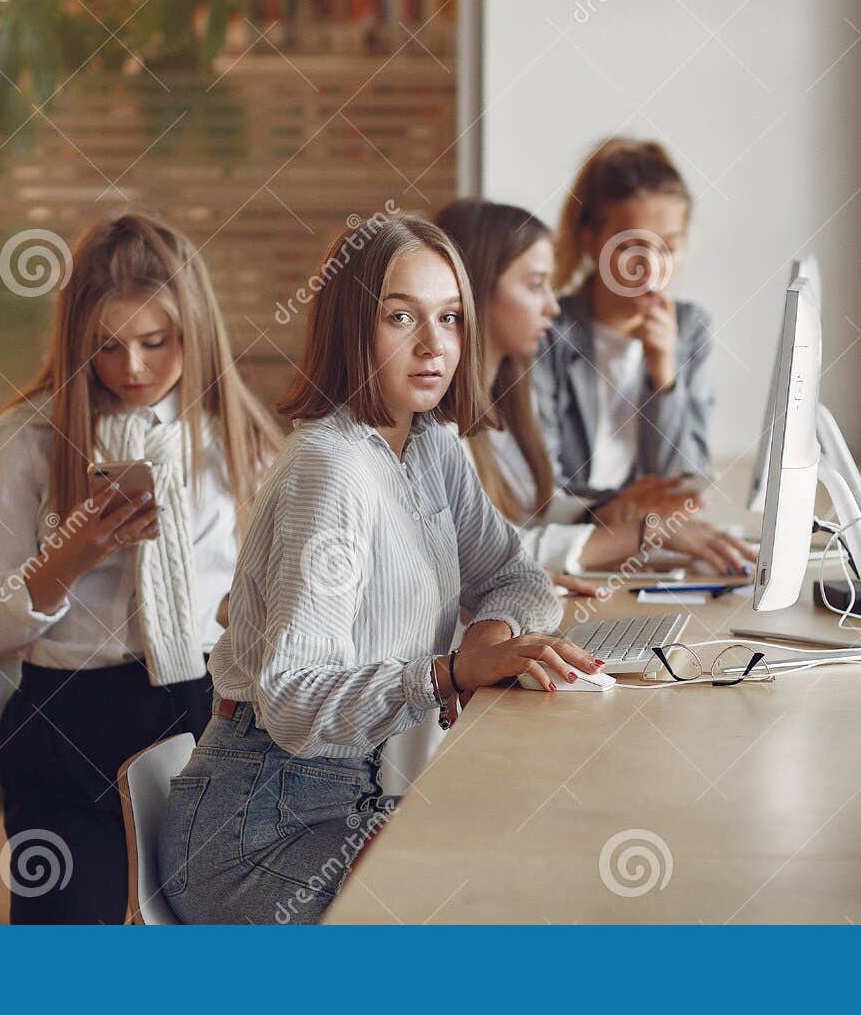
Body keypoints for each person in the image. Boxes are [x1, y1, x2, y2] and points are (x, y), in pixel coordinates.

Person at [157, 212, 601, 924]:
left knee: (519, 857)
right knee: (479, 899)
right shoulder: (332, 469)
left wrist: (486, 636)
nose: (434, 345)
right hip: (253, 826)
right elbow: (294, 699)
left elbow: (520, 579)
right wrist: (448, 672)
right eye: (401, 317)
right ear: (349, 329)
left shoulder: (430, 445)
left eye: (450, 318)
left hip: (344, 798)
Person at [0, 213, 280, 924]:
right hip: (66, 715)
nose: (131, 367)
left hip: (203, 706)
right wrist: (73, 556)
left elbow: (261, 600)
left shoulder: (239, 438)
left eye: (155, 342)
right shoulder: (28, 438)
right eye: (106, 346)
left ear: (194, 329)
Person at [438, 197, 756, 578]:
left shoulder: (508, 402)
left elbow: (534, 510)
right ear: (474, 291)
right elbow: (489, 550)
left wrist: (606, 511)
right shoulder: (439, 426)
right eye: (536, 285)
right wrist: (643, 533)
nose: (553, 307)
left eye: (668, 247)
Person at [535, 137, 713, 498]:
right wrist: (626, 513)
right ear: (590, 239)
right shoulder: (548, 329)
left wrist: (664, 375)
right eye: (629, 246)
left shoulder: (690, 328)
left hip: (651, 542)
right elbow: (541, 488)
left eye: (668, 246)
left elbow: (684, 484)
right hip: (573, 542)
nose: (650, 266)